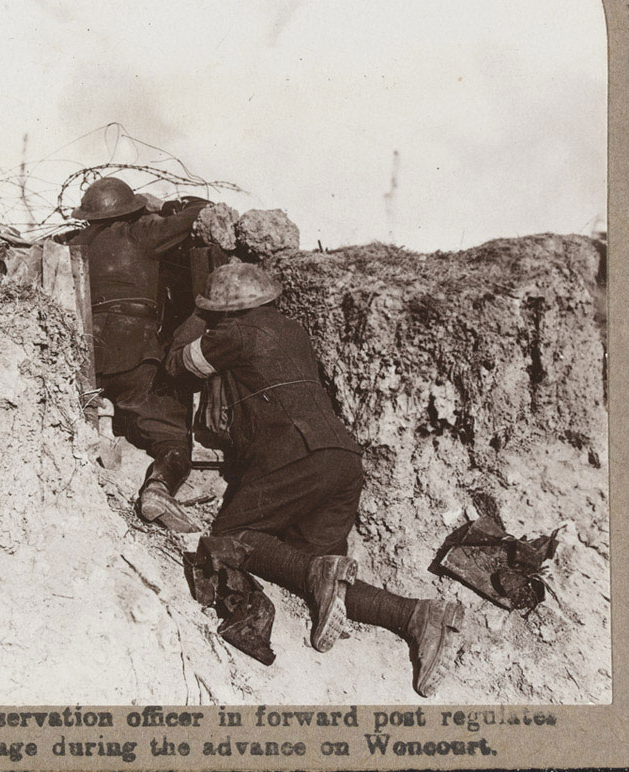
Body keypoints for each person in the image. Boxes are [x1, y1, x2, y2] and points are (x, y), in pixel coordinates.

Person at [166, 261, 463, 697]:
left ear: (223, 310)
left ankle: (380, 599)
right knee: (321, 579)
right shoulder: (293, 330)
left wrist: (201, 314)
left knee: (232, 536)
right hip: (341, 459)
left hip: (294, 457)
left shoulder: (232, 334)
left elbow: (177, 365)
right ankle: (419, 615)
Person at [70, 177, 211, 533]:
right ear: (130, 209)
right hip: (135, 350)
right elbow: (199, 213)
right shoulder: (140, 231)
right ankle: (160, 487)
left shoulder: (77, 241)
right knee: (171, 434)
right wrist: (161, 208)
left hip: (89, 355)